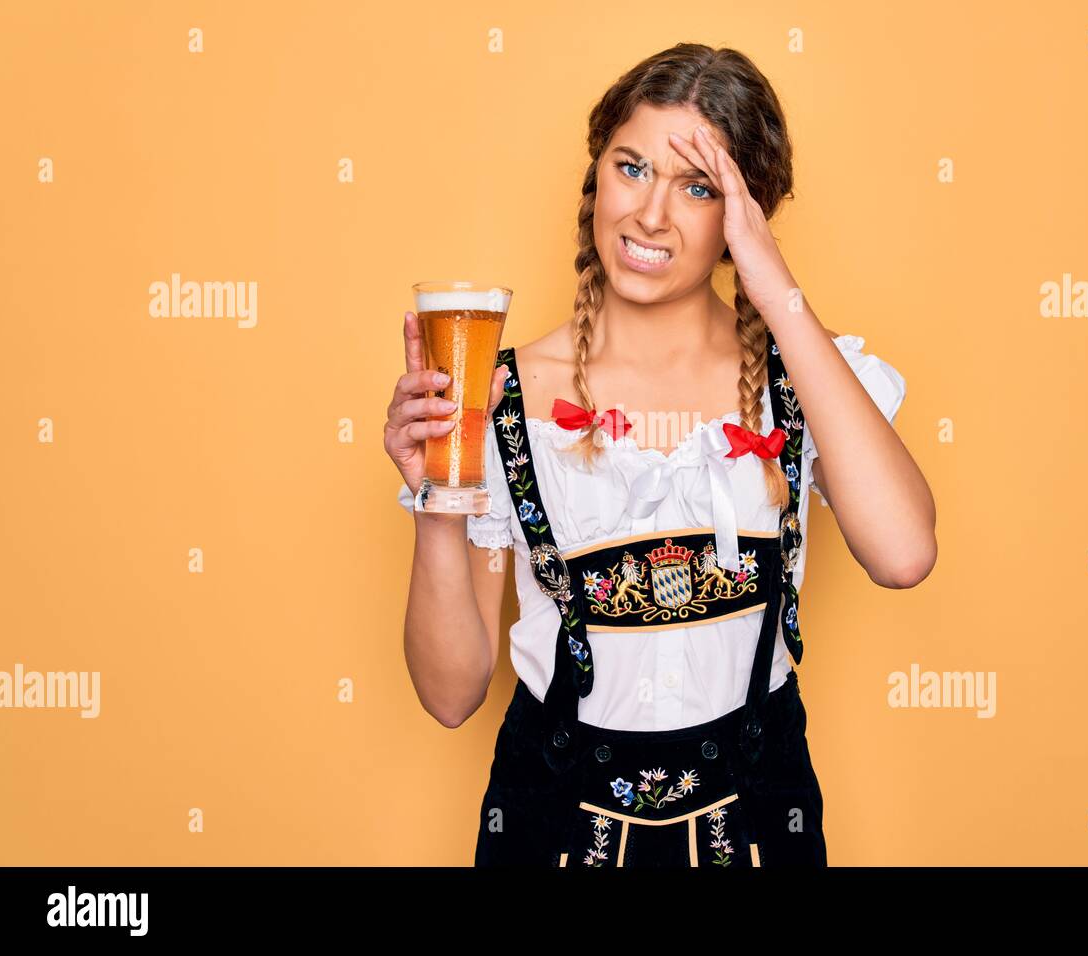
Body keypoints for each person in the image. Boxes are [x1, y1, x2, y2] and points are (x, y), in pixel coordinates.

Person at [385, 43, 937, 867]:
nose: (650, 216)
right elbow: (452, 693)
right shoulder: (504, 397)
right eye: (632, 167)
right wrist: (435, 497)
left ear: (743, 216)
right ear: (595, 178)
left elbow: (903, 554)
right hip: (551, 837)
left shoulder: (804, 376)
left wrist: (777, 291)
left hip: (758, 838)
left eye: (698, 187)